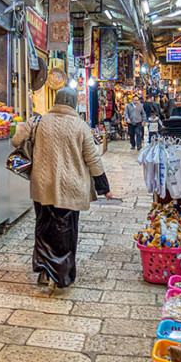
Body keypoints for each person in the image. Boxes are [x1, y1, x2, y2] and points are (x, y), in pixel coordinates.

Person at [11, 86, 112, 293]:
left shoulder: (37, 121)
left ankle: (44, 270)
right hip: (70, 188)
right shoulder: (80, 125)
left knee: (44, 228)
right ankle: (61, 276)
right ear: (73, 102)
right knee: (65, 231)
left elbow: (15, 141)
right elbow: (92, 158)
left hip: (42, 186)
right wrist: (104, 187)